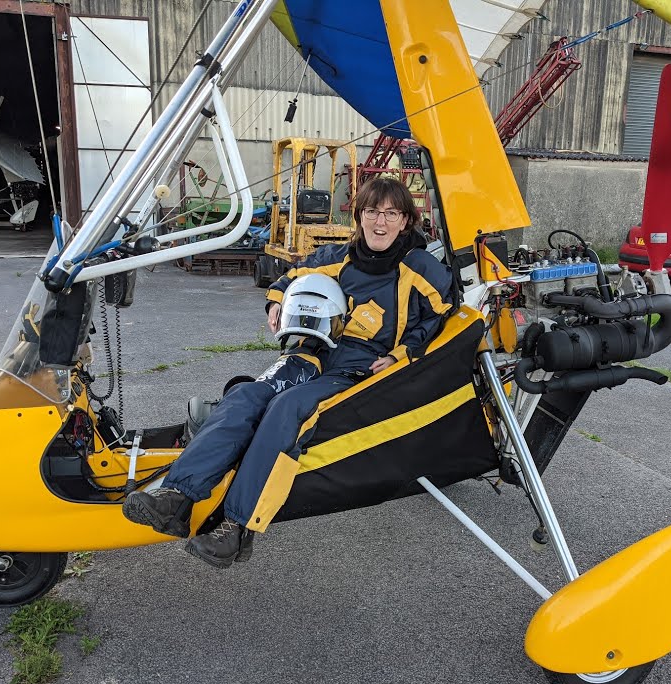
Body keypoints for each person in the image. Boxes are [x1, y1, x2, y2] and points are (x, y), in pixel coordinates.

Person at [121, 177, 455, 568]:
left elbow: (442, 317)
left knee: (286, 409)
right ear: (359, 216)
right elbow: (290, 276)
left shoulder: (420, 268)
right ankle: (177, 499)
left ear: (405, 221)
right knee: (245, 396)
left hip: (359, 369)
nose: (380, 222)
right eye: (372, 212)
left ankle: (237, 528)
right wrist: (276, 302)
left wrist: (402, 355)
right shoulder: (339, 256)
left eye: (391, 214)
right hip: (313, 352)